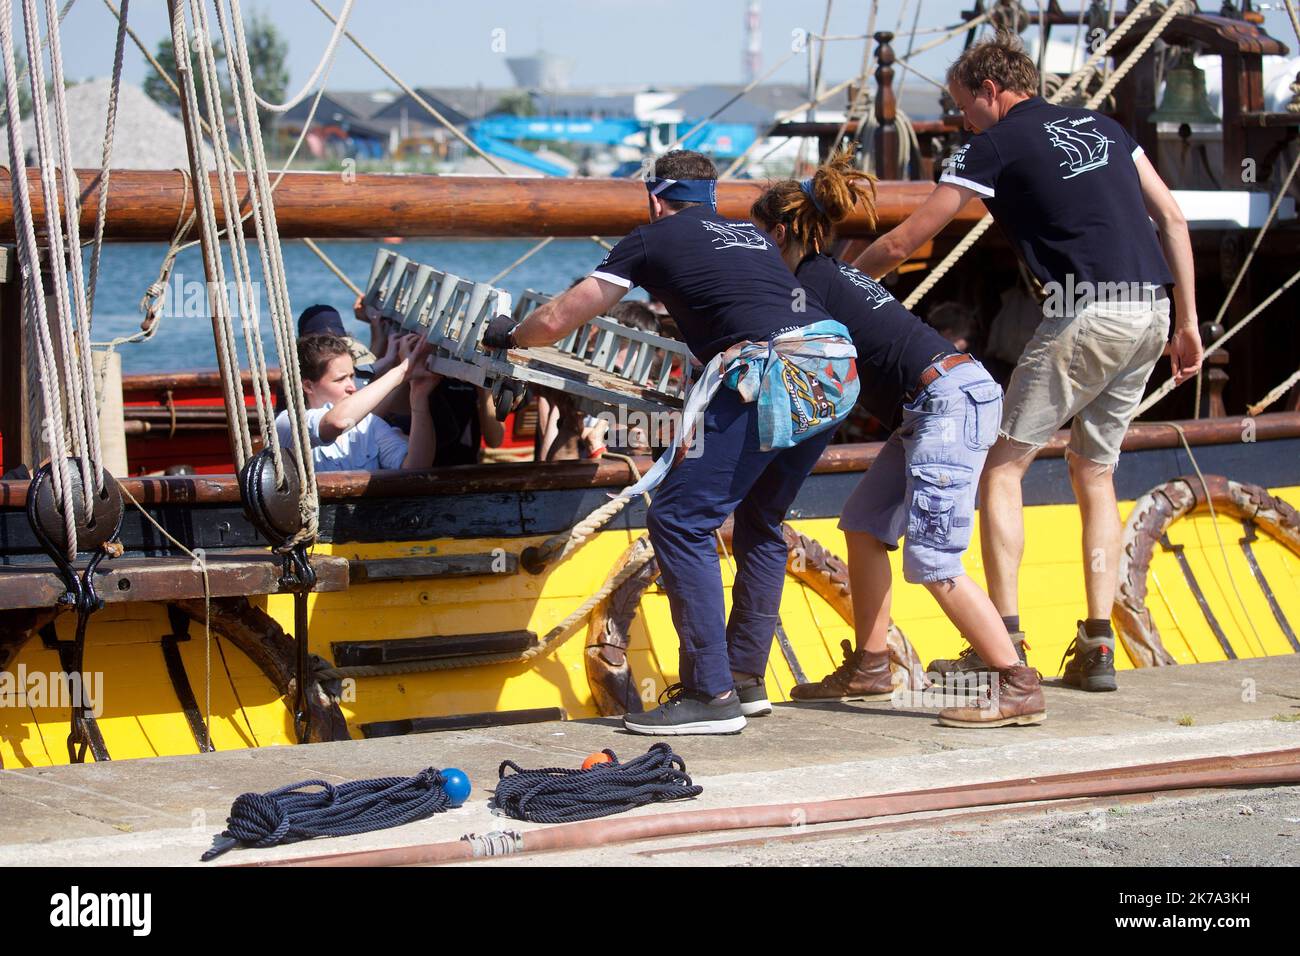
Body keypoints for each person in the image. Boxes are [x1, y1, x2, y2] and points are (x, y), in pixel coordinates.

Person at [853, 36, 1203, 692]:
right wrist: (1186, 323)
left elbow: (908, 237)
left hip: (1086, 313)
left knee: (1003, 466)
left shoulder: (996, 143)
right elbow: (1174, 220)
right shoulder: (1105, 126)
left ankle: (1002, 641)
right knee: (1095, 471)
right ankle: (1098, 643)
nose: (964, 123)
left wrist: (840, 284)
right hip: (1150, 311)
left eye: (964, 109)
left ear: (990, 91)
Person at [481, 149, 857, 735]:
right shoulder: (751, 237)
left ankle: (710, 695)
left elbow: (561, 318)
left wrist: (512, 336)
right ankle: (746, 679)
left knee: (681, 520)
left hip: (772, 374)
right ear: (712, 197)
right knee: (760, 520)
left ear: (655, 198)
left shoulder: (650, 240)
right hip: (832, 370)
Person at [750, 153, 1044, 727]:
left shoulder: (806, 287)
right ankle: (871, 664)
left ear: (779, 232)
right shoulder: (829, 273)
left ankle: (1017, 683)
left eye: (758, 239)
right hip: (934, 403)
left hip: (946, 404)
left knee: (934, 556)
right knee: (864, 524)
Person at [277, 332, 436, 472]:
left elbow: (415, 468)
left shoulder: (369, 425)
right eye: (340, 380)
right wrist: (403, 371)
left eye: (351, 376)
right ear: (308, 386)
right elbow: (337, 422)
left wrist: (418, 398)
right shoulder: (288, 423)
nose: (352, 387)